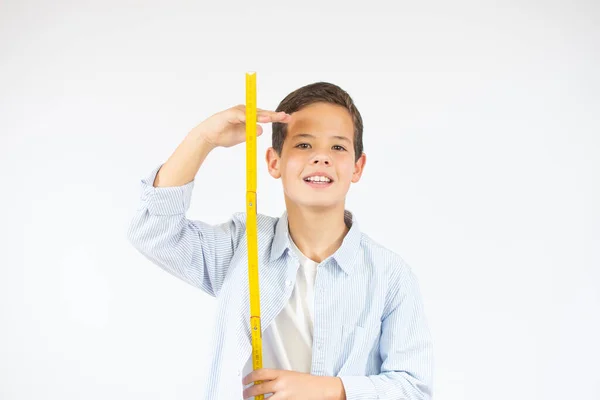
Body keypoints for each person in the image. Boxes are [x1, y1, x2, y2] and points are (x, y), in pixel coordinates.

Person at [127, 82, 434, 399]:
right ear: (274, 162)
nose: (321, 158)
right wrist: (202, 139)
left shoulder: (390, 275)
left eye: (338, 147)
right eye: (303, 145)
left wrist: (329, 390)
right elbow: (153, 231)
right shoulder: (241, 247)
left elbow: (415, 389)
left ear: (358, 167)